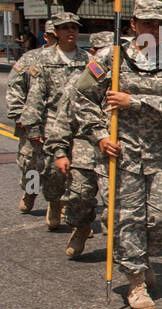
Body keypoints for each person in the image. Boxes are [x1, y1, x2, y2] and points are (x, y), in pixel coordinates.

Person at [73, 0, 162, 309]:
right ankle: (136, 281)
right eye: (147, 24)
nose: (153, 31)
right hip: (122, 151)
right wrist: (99, 136)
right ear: (133, 25)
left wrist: (136, 101)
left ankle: (140, 256)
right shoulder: (110, 58)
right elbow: (80, 95)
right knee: (128, 217)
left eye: (159, 25)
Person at [17, 12, 90, 232]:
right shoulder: (42, 60)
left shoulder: (87, 60)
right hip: (51, 122)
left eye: (74, 28)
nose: (71, 31)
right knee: (50, 170)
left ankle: (78, 215)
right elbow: (36, 96)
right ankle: (53, 200)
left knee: (80, 171)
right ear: (55, 32)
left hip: (79, 124)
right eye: (65, 28)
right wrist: (32, 127)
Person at [47, 30, 113, 258]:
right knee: (79, 198)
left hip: (114, 151)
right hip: (84, 150)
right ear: (93, 53)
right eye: (104, 53)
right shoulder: (79, 82)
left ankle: (122, 247)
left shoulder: (124, 82)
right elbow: (64, 118)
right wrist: (59, 151)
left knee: (116, 205)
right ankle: (81, 228)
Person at [7, 22, 53, 212]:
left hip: (61, 122)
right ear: (47, 36)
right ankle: (31, 192)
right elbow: (15, 86)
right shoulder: (30, 59)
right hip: (32, 120)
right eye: (51, 35)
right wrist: (18, 114)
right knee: (31, 164)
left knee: (62, 166)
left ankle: (61, 204)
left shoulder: (79, 59)